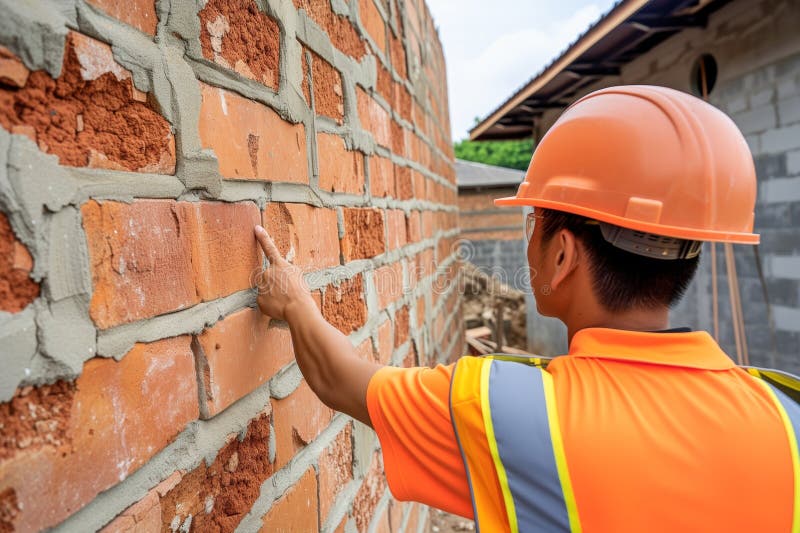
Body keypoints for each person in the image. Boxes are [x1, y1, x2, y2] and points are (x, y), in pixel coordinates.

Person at [252, 86, 800, 532]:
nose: (527, 240)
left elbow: (340, 378)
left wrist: (294, 300)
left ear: (562, 254)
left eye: (533, 222)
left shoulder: (507, 410)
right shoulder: (787, 413)